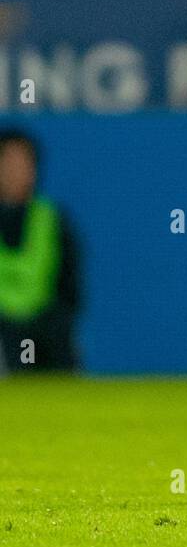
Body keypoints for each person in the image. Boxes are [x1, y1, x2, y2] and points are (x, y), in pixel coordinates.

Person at [0, 130, 81, 372]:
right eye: (8, 163)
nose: (16, 172)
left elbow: (69, 287)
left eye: (23, 163)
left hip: (46, 329)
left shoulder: (53, 220)